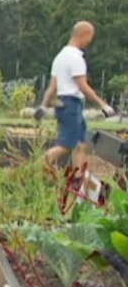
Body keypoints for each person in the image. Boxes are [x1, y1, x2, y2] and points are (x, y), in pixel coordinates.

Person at [35, 21, 115, 176]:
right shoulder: (76, 58)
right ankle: (30, 170)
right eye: (90, 37)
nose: (90, 41)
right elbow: (82, 86)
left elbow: (52, 86)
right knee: (66, 145)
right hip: (70, 104)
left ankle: (78, 182)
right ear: (84, 35)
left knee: (81, 144)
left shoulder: (60, 57)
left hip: (66, 104)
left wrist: (43, 106)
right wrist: (103, 105)